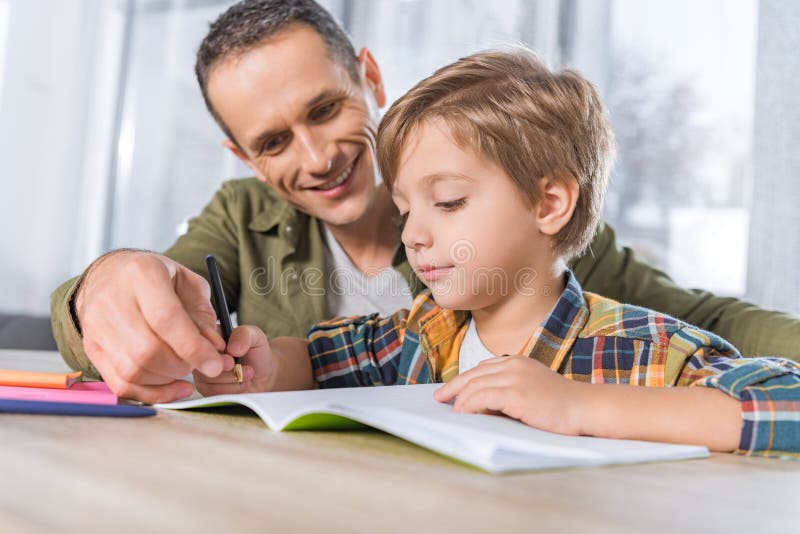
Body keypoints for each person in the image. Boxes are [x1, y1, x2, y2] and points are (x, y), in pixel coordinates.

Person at [50, 0, 800, 404]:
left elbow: (706, 327)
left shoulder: (516, 222)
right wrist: (106, 286)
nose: (317, 159)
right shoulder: (241, 219)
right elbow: (156, 303)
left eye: (324, 111)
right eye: (272, 143)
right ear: (243, 156)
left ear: (370, 79)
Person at [194, 48, 800, 456]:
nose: (413, 236)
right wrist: (267, 366)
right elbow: (321, 358)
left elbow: (789, 406)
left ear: (549, 204)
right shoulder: (422, 335)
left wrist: (580, 405)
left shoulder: (647, 351)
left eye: (450, 202)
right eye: (406, 210)